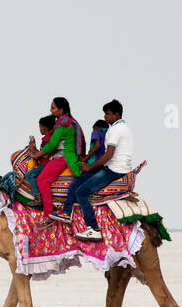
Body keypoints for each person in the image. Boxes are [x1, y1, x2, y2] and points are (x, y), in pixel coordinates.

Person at [70, 100, 134, 241]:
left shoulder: (114, 130)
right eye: (105, 114)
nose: (105, 117)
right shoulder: (125, 128)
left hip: (114, 170)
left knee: (80, 191)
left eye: (108, 114)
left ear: (116, 114)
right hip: (123, 169)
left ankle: (93, 228)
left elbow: (108, 154)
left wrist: (89, 167)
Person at [24, 97, 85, 225]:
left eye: (53, 108)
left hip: (64, 157)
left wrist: (35, 155)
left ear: (61, 110)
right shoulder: (67, 122)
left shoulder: (63, 124)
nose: (51, 110)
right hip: (63, 156)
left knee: (42, 179)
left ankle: (48, 214)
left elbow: (51, 145)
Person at [60, 119, 107, 223]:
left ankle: (66, 212)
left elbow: (97, 145)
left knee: (74, 185)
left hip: (93, 166)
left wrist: (85, 158)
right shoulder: (106, 135)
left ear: (96, 127)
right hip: (100, 166)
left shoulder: (96, 131)